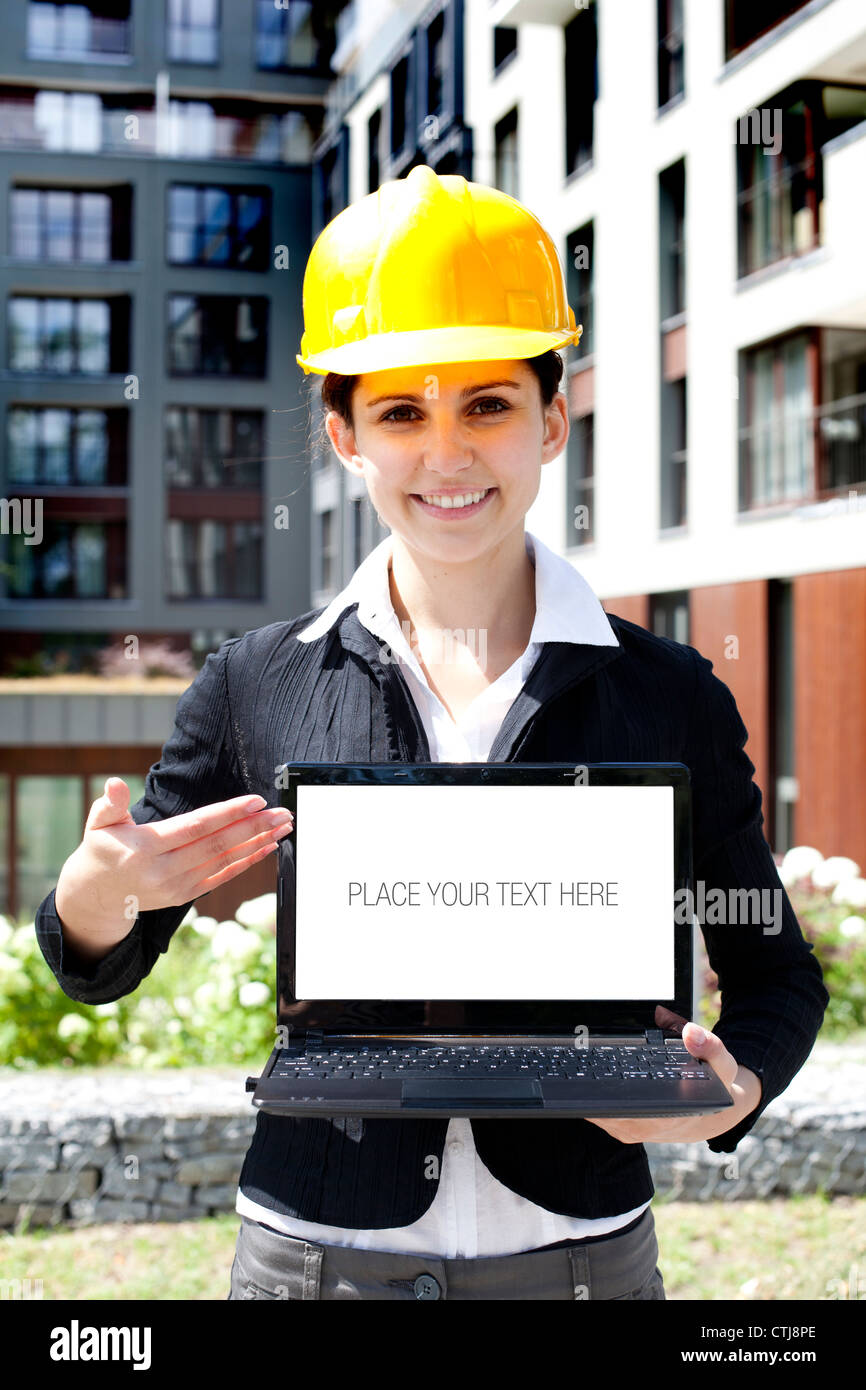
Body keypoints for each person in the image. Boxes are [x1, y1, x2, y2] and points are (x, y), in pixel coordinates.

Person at [36, 165, 828, 1301]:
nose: (447, 454)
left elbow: (772, 972)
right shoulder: (256, 679)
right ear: (347, 436)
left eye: (487, 405)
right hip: (312, 1264)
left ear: (551, 420)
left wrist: (732, 1084)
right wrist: (101, 894)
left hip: (582, 1269)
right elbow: (96, 959)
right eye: (402, 411)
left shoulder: (670, 692)